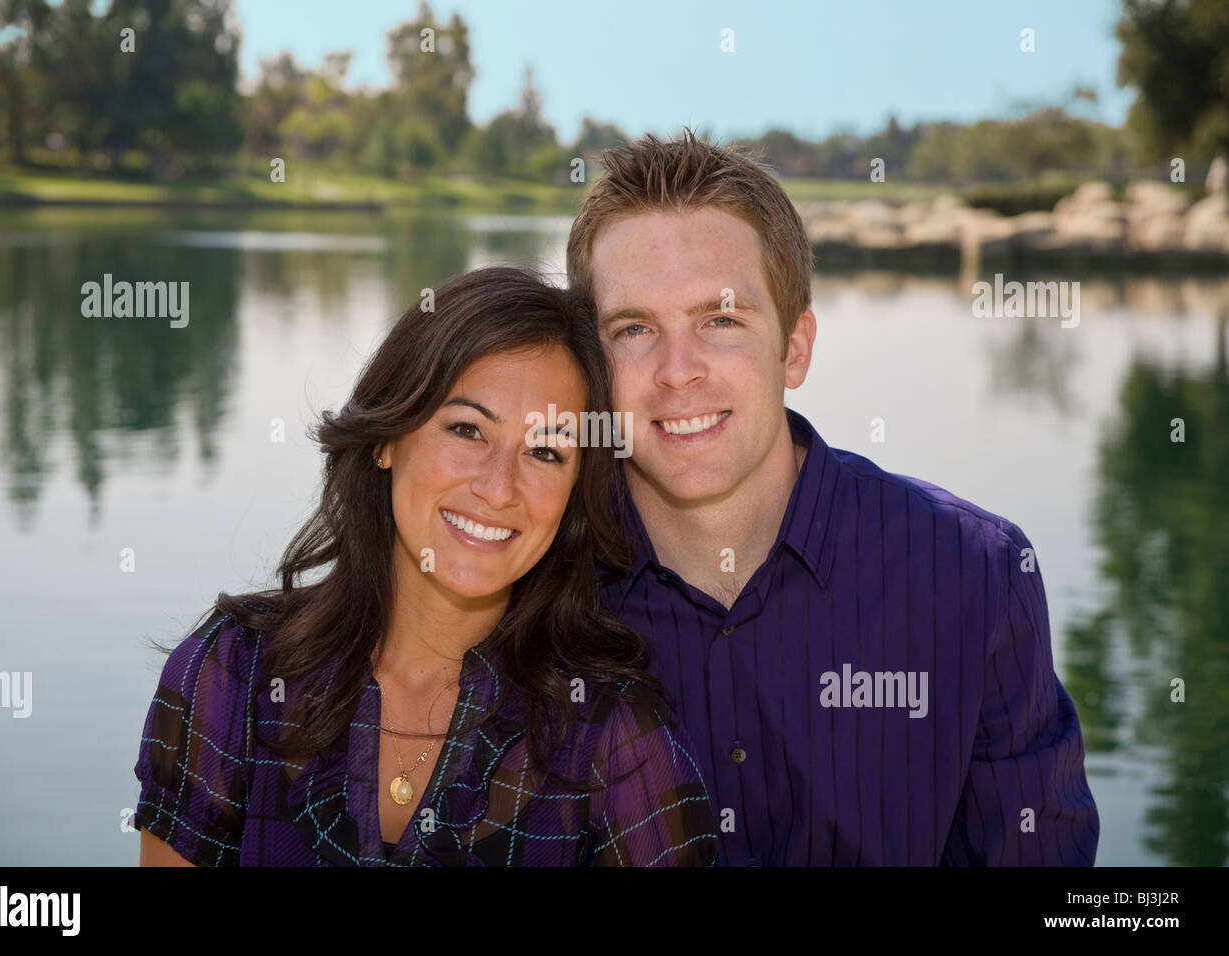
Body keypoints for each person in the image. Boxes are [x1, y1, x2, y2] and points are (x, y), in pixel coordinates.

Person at [566, 129, 1101, 866]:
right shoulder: (532, 585)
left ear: (795, 347)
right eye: (634, 329)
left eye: (720, 320)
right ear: (591, 364)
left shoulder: (976, 575)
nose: (677, 371)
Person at [133, 266, 718, 866]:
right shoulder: (231, 674)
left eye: (545, 451)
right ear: (388, 437)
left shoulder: (618, 743)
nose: (498, 488)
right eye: (466, 429)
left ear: (573, 491)